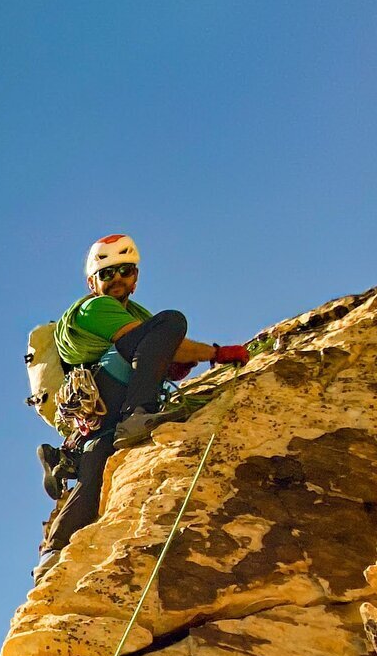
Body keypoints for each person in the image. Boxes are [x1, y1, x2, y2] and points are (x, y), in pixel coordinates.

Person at [39, 234, 250, 561]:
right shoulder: (96, 307)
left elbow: (153, 350)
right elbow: (154, 341)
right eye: (107, 273)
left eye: (125, 271)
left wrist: (167, 362)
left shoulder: (136, 312)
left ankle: (52, 554)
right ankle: (139, 413)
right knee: (172, 321)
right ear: (92, 283)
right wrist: (216, 353)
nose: (118, 279)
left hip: (100, 414)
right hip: (108, 392)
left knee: (96, 472)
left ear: (136, 277)